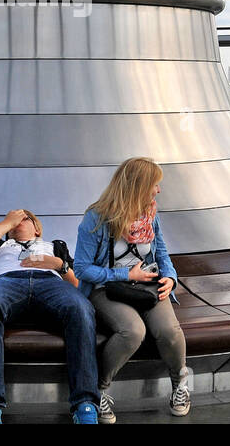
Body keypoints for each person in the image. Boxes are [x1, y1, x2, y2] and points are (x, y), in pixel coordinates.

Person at [73, 158, 189, 423]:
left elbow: (160, 251)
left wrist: (170, 277)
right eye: (155, 184)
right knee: (133, 331)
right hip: (108, 288)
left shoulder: (150, 213)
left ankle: (179, 385)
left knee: (169, 331)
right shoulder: (97, 217)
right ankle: (99, 389)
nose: (158, 190)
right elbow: (81, 268)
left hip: (147, 286)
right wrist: (126, 274)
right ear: (138, 186)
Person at [0, 209, 98, 424]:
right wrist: (8, 223)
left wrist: (59, 265)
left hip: (50, 283)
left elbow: (78, 285)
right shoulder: (0, 246)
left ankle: (85, 404)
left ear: (37, 228)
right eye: (16, 219)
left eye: (25, 218)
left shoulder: (55, 246)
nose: (20, 221)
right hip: (7, 282)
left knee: (81, 308)